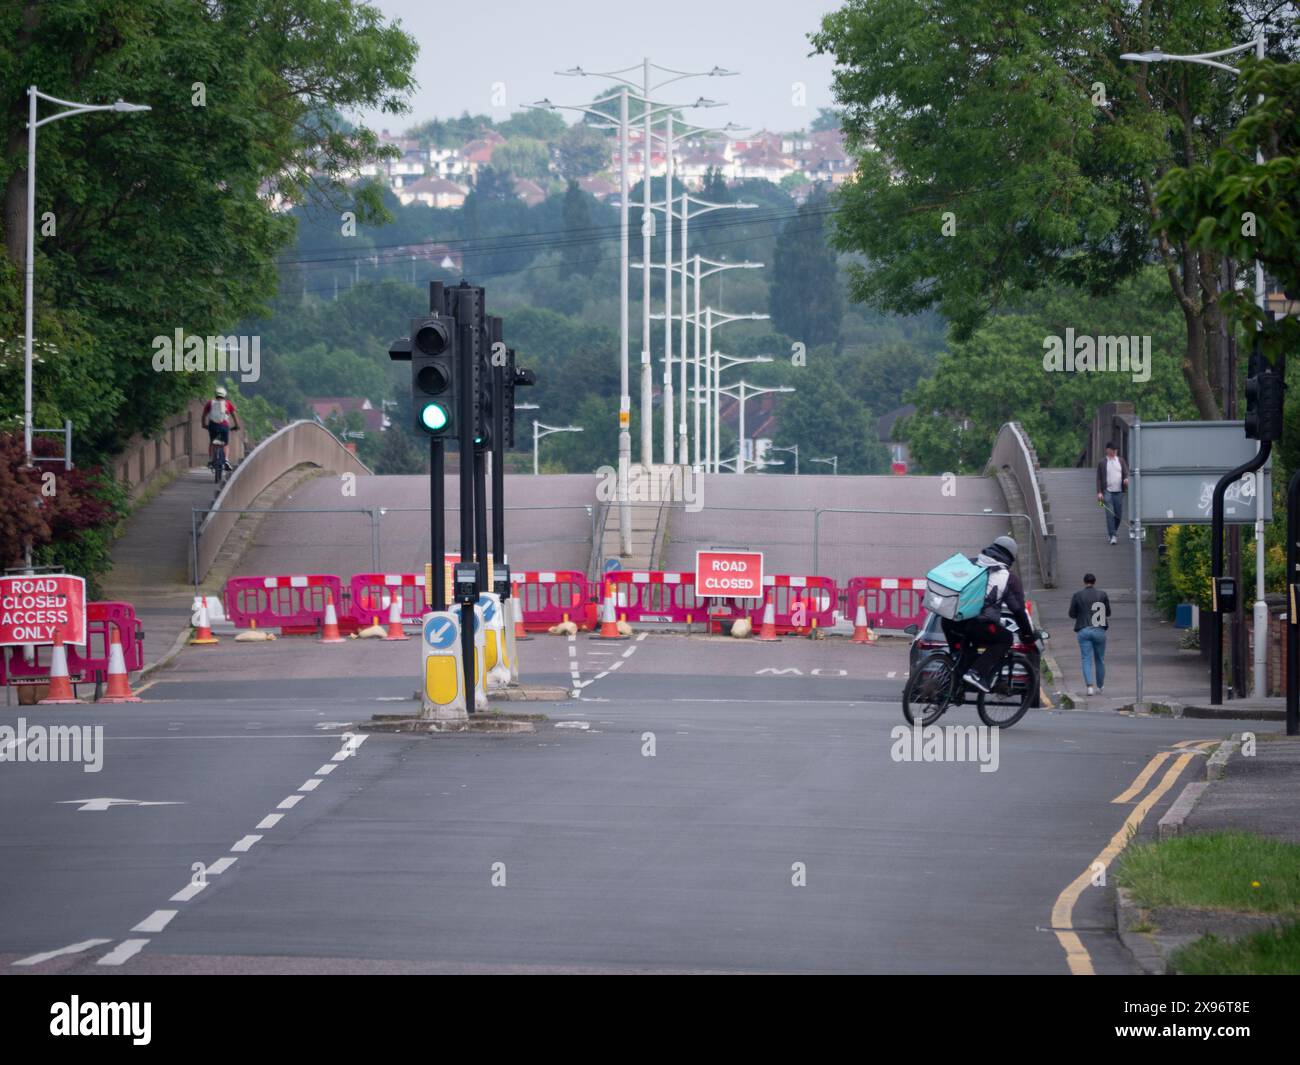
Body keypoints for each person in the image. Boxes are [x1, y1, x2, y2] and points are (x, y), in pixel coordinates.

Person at [940, 535, 1036, 694]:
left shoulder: (971, 563)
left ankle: (952, 686)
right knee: (1005, 638)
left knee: (962, 653)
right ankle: (976, 673)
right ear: (1011, 557)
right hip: (977, 625)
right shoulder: (1008, 578)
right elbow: (1018, 610)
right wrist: (1028, 636)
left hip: (950, 620)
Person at [1068, 572, 1111, 696]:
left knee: (1086, 659)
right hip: (1099, 630)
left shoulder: (1077, 595)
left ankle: (1089, 687)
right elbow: (1107, 613)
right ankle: (1100, 686)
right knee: (1100, 659)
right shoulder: (1102, 595)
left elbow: (1072, 614)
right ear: (1094, 582)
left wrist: (1081, 614)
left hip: (1084, 629)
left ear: (1084, 582)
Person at [1096, 441, 1130, 545]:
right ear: (1108, 450)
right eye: (1113, 450)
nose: (1115, 452)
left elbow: (1126, 473)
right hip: (1107, 492)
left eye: (1116, 450)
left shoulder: (1121, 461)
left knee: (1118, 515)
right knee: (1110, 514)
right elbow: (1098, 479)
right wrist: (1099, 492)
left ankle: (1112, 532)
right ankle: (1113, 535)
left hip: (1119, 491)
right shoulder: (1102, 462)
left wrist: (1126, 479)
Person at [202, 386, 239, 470]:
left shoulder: (210, 403)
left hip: (213, 426)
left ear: (216, 394)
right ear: (224, 395)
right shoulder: (228, 404)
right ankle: (226, 460)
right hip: (224, 427)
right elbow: (234, 416)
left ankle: (211, 460)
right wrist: (237, 426)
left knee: (212, 442)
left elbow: (204, 415)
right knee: (225, 444)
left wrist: (203, 424)